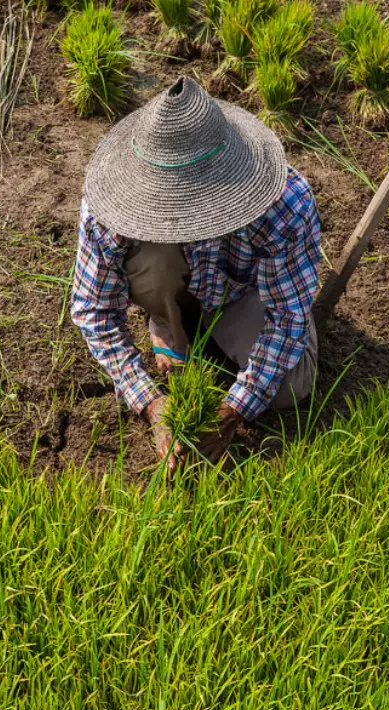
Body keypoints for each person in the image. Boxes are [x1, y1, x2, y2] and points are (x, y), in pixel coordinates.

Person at [71, 76, 322, 474]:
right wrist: (150, 404)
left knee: (292, 387)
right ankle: (169, 323)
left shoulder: (284, 203)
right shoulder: (108, 208)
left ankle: (207, 335)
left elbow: (288, 317)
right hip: (166, 283)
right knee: (158, 263)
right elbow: (94, 311)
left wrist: (235, 407)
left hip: (242, 296)